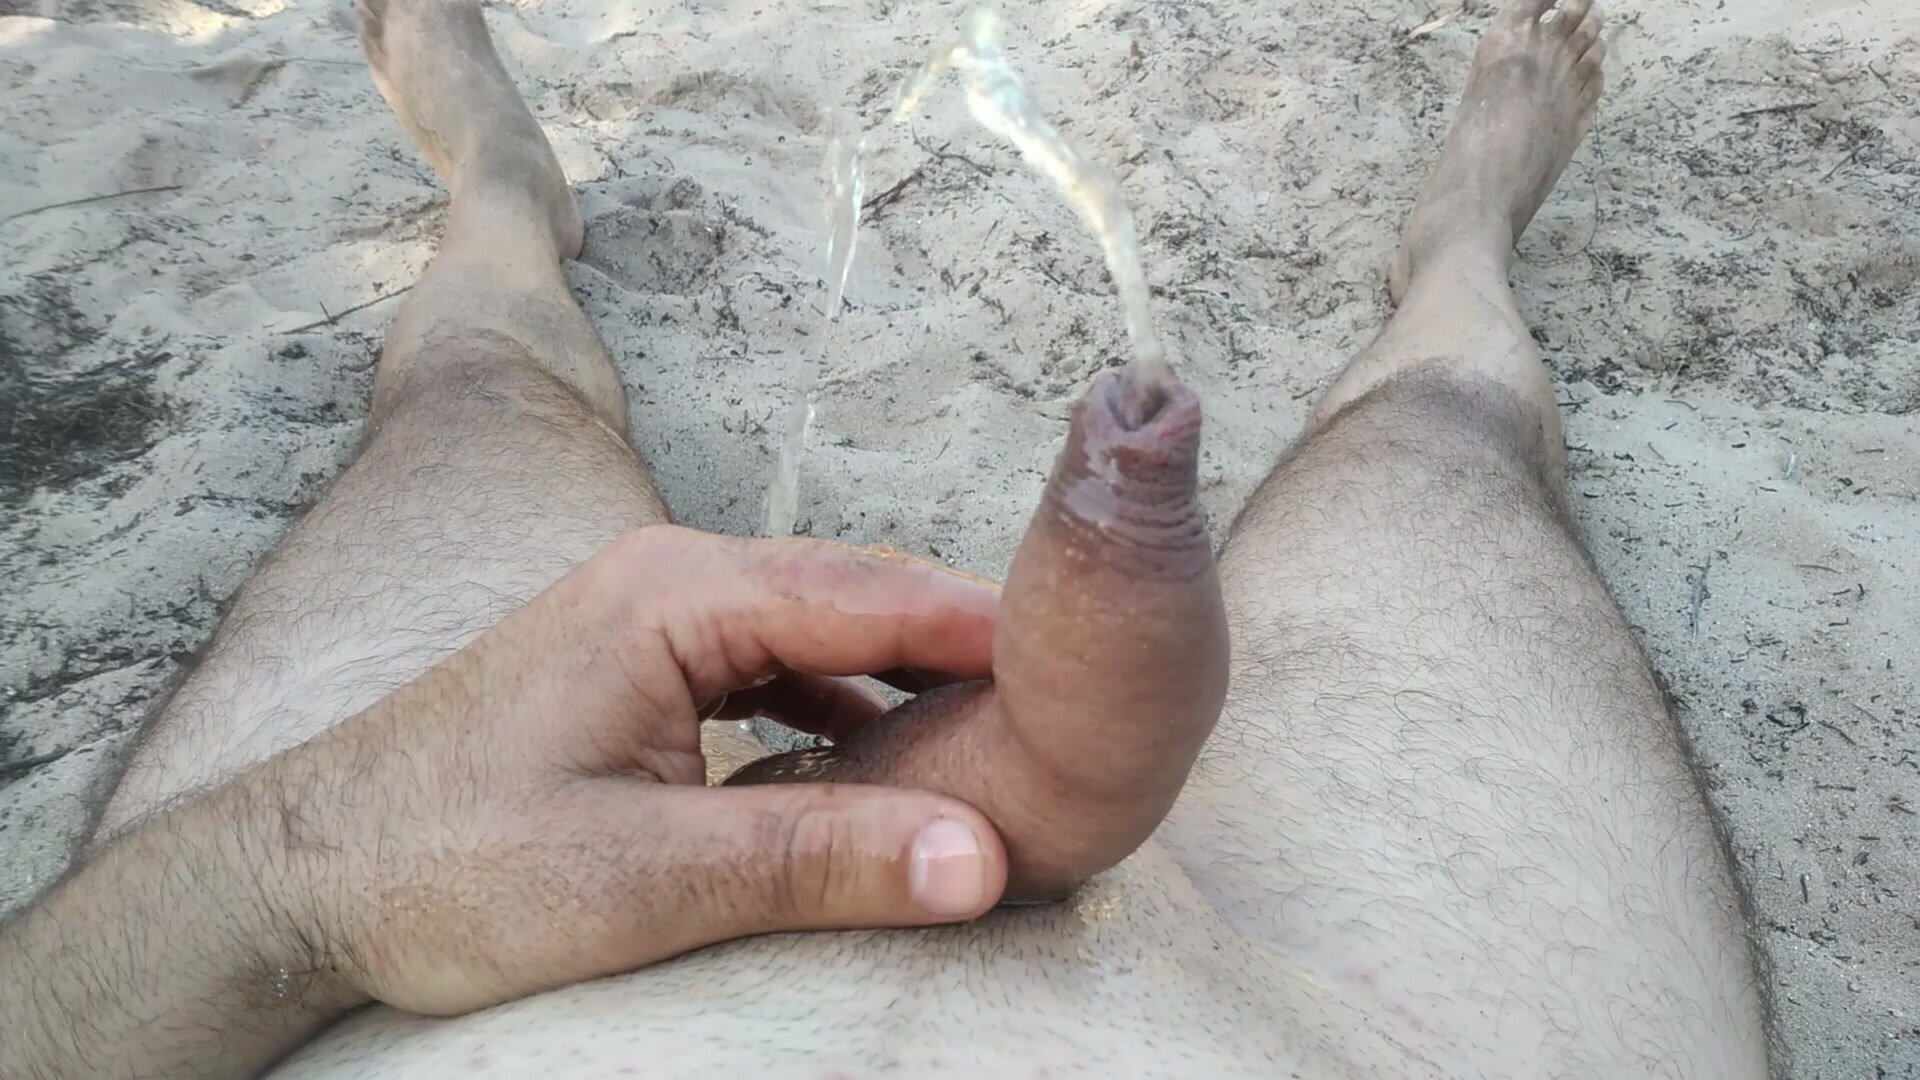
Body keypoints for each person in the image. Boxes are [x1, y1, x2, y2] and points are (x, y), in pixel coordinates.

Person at [0, 0, 1772, 1075]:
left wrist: (294, 881)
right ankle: (1458, 250)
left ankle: (499, 196)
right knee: (1444, 445)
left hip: (351, 985)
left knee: (471, 400)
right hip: (1395, 1035)